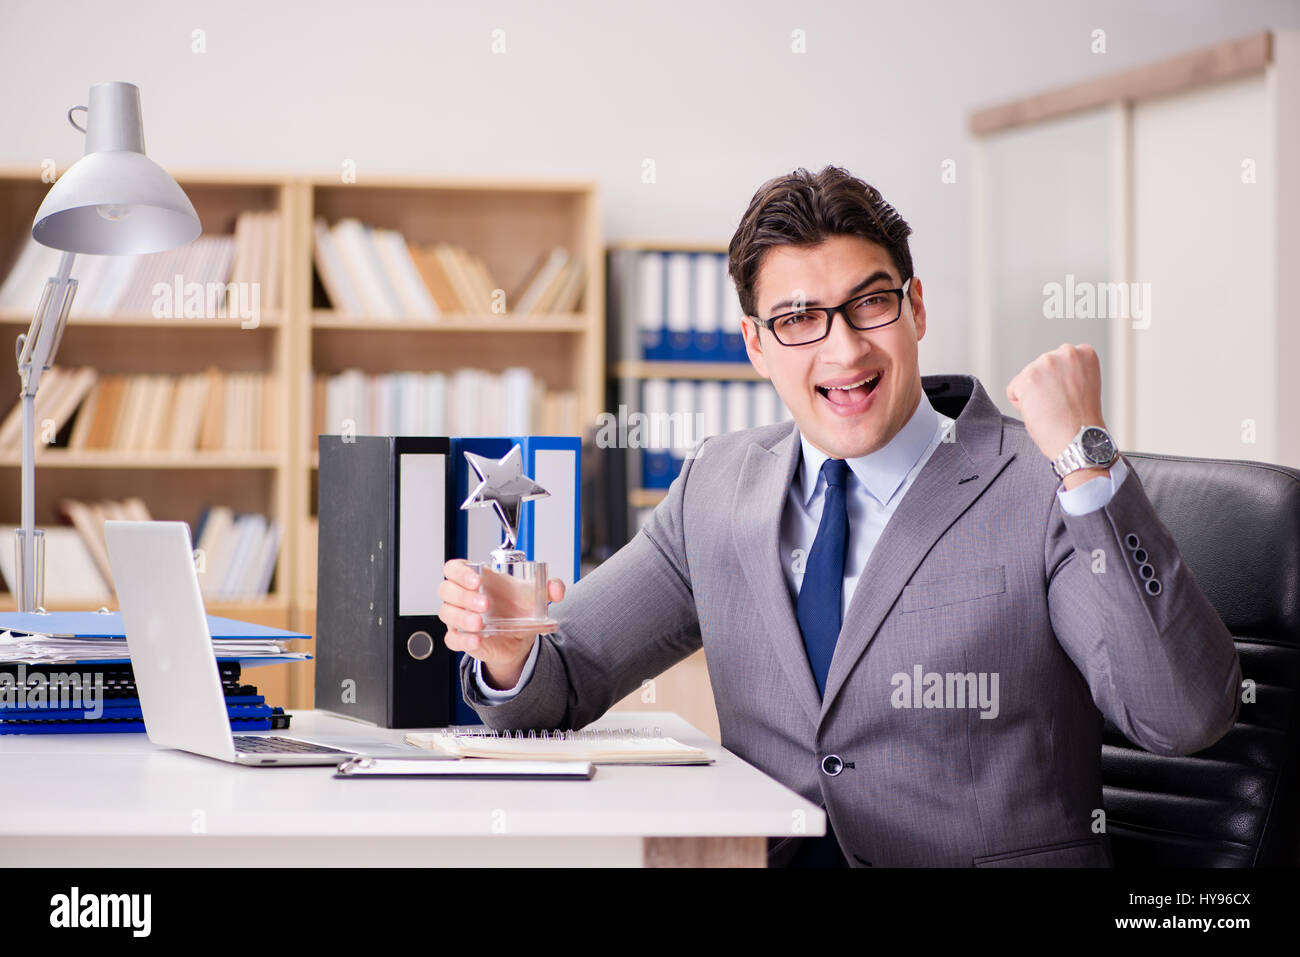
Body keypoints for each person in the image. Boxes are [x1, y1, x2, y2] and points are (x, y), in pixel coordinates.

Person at [437, 165, 1241, 867]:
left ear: (916, 308)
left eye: (871, 304)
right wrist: (511, 651)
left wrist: (1088, 460)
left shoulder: (1040, 480)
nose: (845, 350)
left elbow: (1182, 715)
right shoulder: (715, 486)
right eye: (798, 319)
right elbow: (565, 678)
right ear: (755, 344)